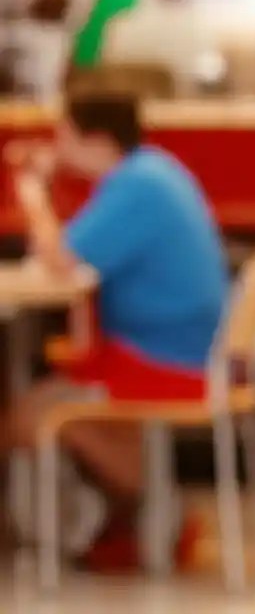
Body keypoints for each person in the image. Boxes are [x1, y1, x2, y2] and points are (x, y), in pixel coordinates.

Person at [0, 93, 229, 570]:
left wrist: (32, 190)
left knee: (27, 417)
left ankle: (144, 511)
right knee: (39, 407)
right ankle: (130, 518)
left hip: (163, 360)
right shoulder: (154, 171)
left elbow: (60, 262)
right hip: (188, 350)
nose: (57, 147)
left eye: (64, 135)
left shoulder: (136, 186)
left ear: (96, 139)